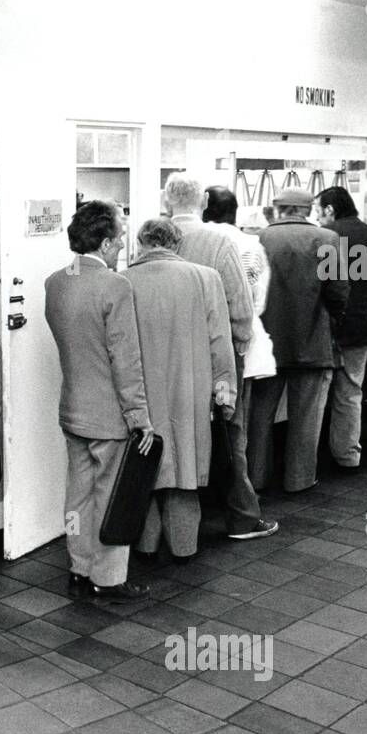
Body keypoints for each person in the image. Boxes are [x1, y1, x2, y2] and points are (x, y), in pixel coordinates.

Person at [45, 201, 155, 602]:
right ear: (106, 242)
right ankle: (107, 579)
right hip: (109, 415)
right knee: (110, 497)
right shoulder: (114, 285)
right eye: (120, 239)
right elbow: (125, 358)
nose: (122, 247)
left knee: (78, 494)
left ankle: (78, 567)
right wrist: (139, 416)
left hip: (71, 408)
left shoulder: (55, 282)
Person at [165, 173, 277, 540]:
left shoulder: (153, 239)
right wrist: (241, 346)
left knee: (176, 429)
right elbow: (240, 305)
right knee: (231, 432)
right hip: (217, 352)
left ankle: (173, 521)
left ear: (167, 203)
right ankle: (242, 517)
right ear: (201, 204)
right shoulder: (218, 242)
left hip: (167, 354)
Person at [121, 218, 236, 561]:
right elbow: (220, 342)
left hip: (142, 393)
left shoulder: (123, 281)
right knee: (185, 469)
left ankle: (145, 544)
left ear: (141, 243)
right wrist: (225, 394)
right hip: (191, 393)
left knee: (144, 466)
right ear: (175, 244)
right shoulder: (205, 278)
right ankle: (185, 547)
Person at [249, 187, 349, 493]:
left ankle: (256, 478)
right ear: (308, 210)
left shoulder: (260, 239)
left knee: (260, 416)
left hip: (268, 344)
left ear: (279, 209)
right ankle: (299, 479)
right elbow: (339, 291)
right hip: (312, 340)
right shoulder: (327, 239)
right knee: (306, 416)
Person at [315, 186, 367, 471]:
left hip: (327, 326)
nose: (318, 217)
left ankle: (311, 454)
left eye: (319, 210)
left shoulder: (326, 237)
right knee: (350, 392)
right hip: (361, 325)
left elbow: (320, 286)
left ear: (330, 210)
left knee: (317, 395)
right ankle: (347, 454)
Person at [203, 186, 274, 382]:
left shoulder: (190, 239)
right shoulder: (251, 244)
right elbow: (258, 299)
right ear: (235, 212)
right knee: (231, 401)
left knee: (203, 400)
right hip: (237, 340)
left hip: (199, 337)